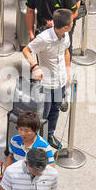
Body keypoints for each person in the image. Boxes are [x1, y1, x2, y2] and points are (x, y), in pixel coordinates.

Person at [22, 9, 72, 148]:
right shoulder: (44, 38)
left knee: (55, 110)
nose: (73, 24)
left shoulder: (65, 35)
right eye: (71, 22)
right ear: (65, 26)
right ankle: (37, 140)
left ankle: (49, 135)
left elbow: (66, 52)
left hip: (60, 81)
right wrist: (35, 67)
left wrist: (68, 71)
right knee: (43, 113)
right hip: (46, 84)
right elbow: (26, 50)